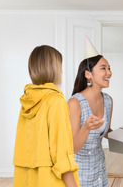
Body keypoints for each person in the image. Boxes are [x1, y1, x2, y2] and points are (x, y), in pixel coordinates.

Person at [13, 45, 79, 187]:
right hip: (51, 181)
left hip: (26, 180)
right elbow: (61, 152)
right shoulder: (56, 101)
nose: (62, 71)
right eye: (60, 66)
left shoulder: (27, 102)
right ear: (54, 69)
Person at [68, 37, 113, 187]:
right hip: (80, 172)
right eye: (103, 68)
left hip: (99, 168)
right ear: (88, 74)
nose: (109, 72)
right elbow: (73, 147)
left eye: (109, 68)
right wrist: (86, 128)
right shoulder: (75, 103)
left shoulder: (108, 100)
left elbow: (106, 131)